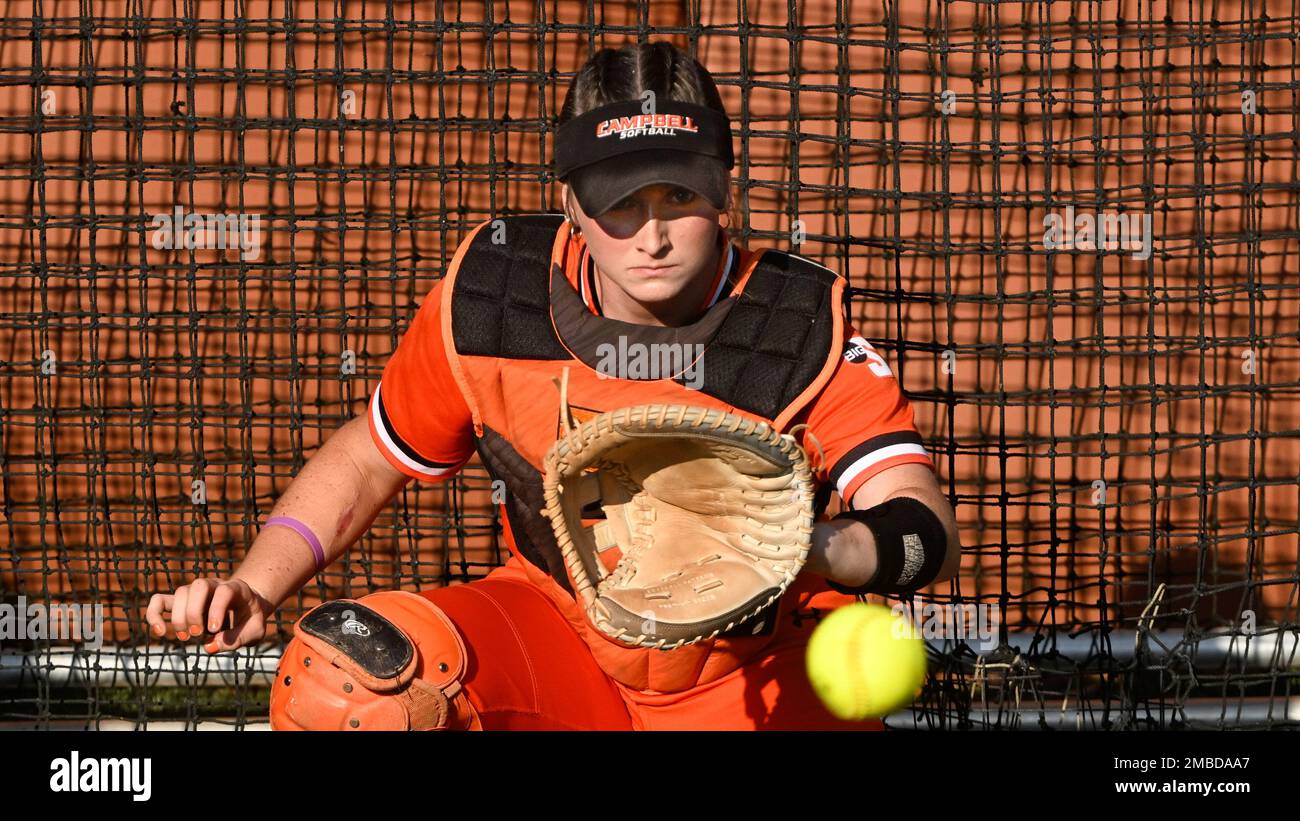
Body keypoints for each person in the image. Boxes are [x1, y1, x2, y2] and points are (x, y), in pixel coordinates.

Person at [144, 40, 962, 730]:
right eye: (620, 202)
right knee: (342, 681)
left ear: (725, 188)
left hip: (754, 674)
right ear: (569, 201)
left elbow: (925, 526)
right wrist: (256, 582)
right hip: (561, 640)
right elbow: (369, 456)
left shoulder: (796, 327)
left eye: (679, 194)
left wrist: (812, 550)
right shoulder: (496, 298)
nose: (653, 235)